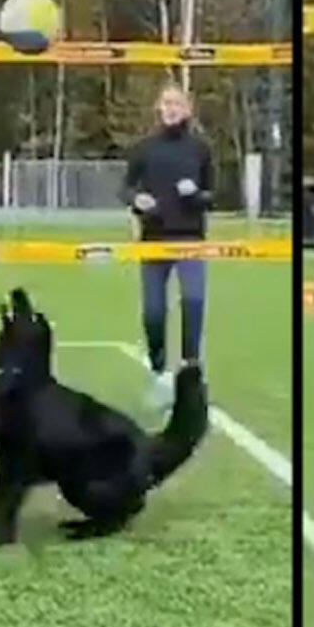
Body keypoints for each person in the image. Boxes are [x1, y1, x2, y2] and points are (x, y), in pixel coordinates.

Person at [122, 83, 213, 411]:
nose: (172, 108)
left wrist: (196, 195)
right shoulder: (144, 149)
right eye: (166, 103)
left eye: (178, 103)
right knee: (154, 312)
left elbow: (211, 196)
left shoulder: (200, 149)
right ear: (159, 109)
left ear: (187, 110)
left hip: (190, 239)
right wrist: (136, 200)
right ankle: (159, 370)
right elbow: (125, 188)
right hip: (153, 241)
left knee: (193, 300)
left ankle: (191, 371)